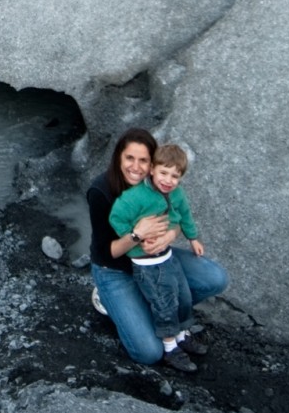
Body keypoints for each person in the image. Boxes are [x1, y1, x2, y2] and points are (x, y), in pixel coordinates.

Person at [86, 127, 229, 367]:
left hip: (157, 260)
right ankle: (108, 300)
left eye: (143, 160)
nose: (136, 167)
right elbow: (107, 253)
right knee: (148, 353)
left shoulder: (161, 184)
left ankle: (159, 313)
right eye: (129, 158)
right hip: (115, 268)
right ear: (118, 157)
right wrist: (137, 234)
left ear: (152, 164)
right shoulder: (100, 191)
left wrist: (171, 235)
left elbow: (177, 215)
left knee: (215, 278)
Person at [108, 142, 205, 370]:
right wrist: (136, 237)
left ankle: (181, 335)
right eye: (163, 173)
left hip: (167, 257)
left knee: (182, 295)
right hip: (147, 264)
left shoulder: (176, 193)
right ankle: (170, 348)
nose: (168, 180)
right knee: (164, 304)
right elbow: (116, 217)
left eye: (175, 176)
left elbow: (184, 215)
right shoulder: (135, 197)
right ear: (152, 169)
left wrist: (193, 238)